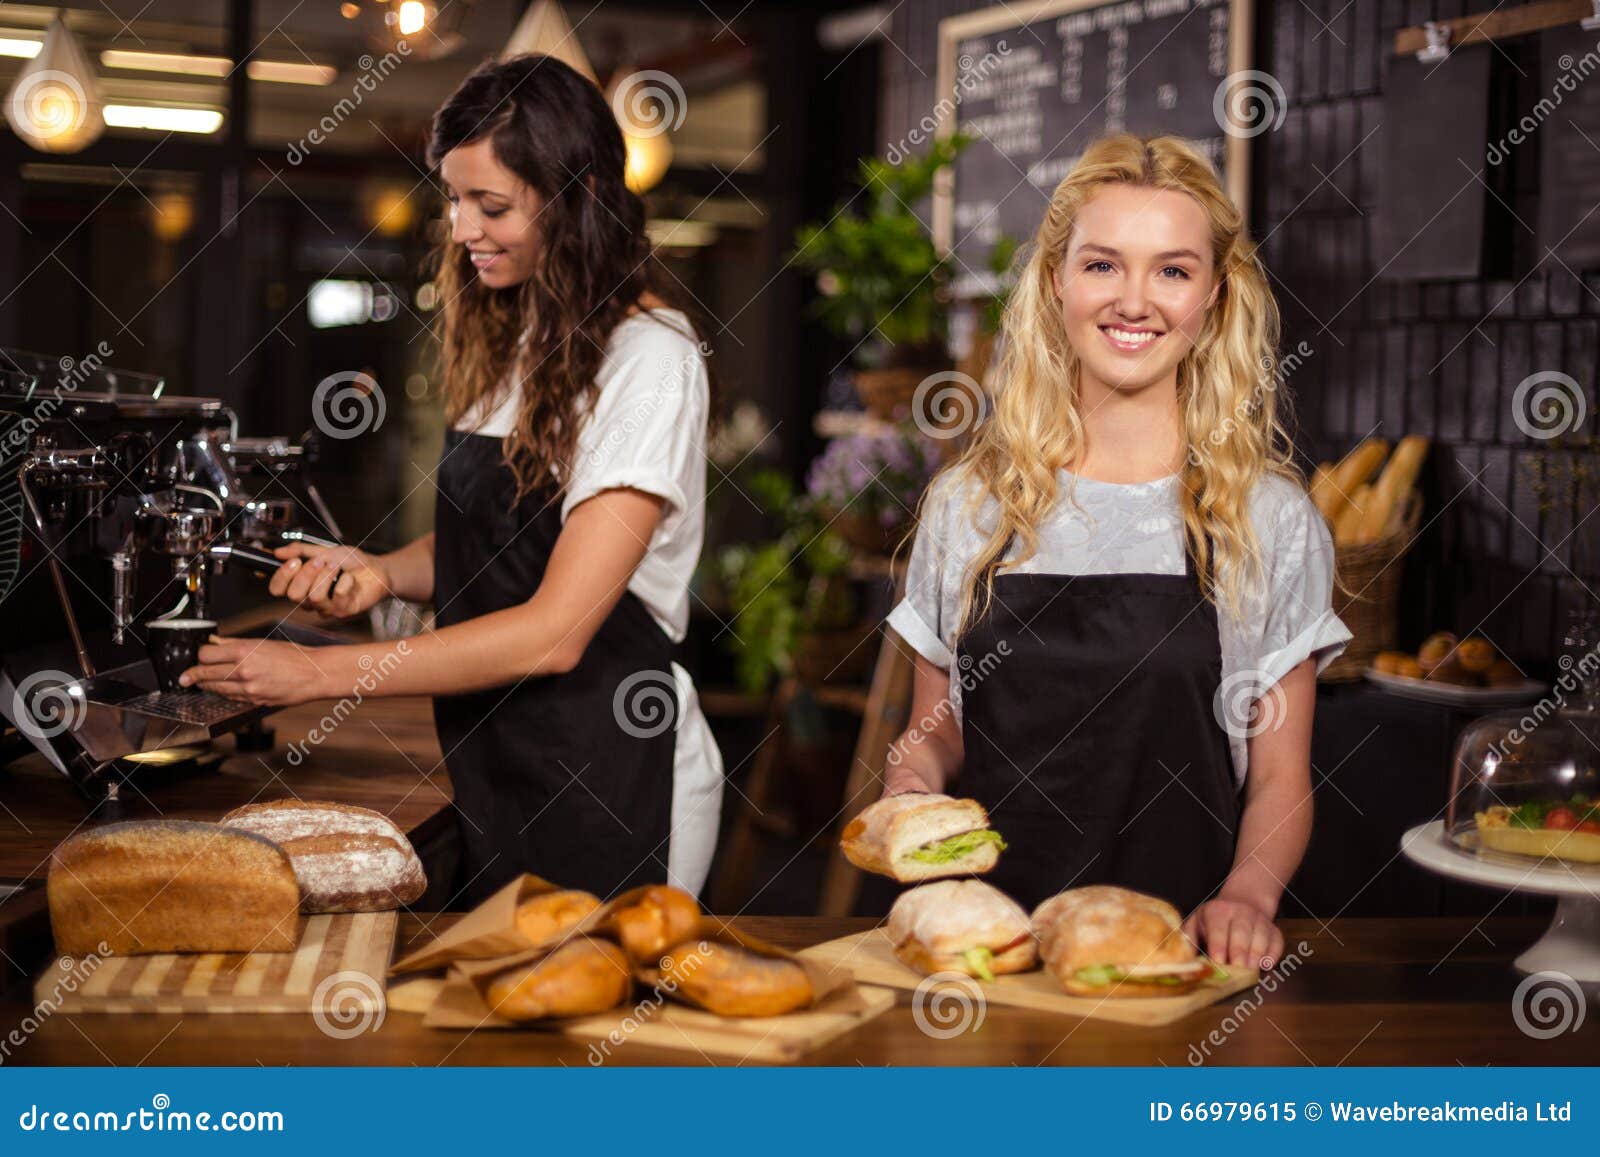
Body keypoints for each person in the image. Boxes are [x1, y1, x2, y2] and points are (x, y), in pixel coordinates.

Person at [184, 55, 724, 903]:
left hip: (614, 764)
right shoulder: (519, 339)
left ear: (574, 200)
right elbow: (498, 541)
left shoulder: (649, 360)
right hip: (494, 750)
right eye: (453, 198)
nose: (463, 227)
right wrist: (378, 573)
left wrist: (320, 675)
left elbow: (557, 628)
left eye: (493, 204)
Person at [881, 134, 1350, 970]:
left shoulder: (1265, 518)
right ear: (1056, 280)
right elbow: (937, 724)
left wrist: (1247, 893)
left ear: (1214, 295)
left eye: (1172, 270)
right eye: (1103, 265)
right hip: (993, 950)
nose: (1135, 301)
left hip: (1175, 951)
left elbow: (1281, 775)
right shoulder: (971, 506)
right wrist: (911, 779)